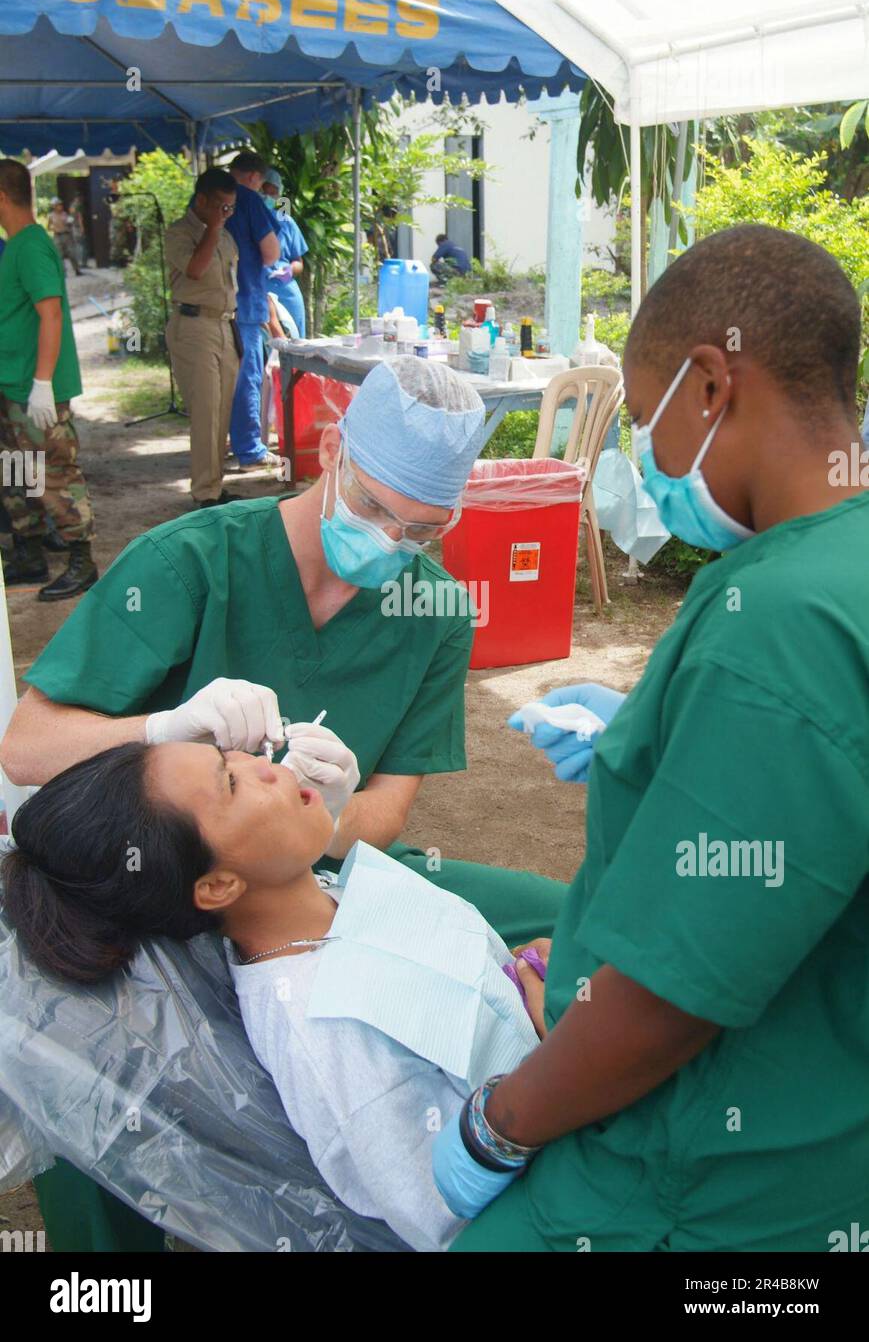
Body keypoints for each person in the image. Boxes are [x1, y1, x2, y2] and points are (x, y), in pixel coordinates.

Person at [0, 354, 567, 1250]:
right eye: (376, 507)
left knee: (555, 917)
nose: (387, 542)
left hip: (316, 874)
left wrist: (324, 813)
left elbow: (381, 814)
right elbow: (25, 748)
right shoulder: (191, 563)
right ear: (334, 450)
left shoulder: (430, 611)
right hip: (179, 882)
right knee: (76, 1051)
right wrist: (163, 729)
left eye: (421, 530)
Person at [432, 224, 869, 1253]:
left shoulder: (777, 624)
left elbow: (669, 1000)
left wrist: (497, 1126)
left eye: (643, 420)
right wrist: (658, 740)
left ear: (710, 384)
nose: (646, 462)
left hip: (711, 1183)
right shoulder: (827, 574)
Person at [2, 736, 550, 1251]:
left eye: (231, 754)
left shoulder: (332, 900)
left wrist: (522, 979)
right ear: (217, 886)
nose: (266, 765)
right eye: (232, 783)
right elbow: (452, 1222)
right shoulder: (331, 1038)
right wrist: (566, 1061)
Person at [0, 159, 97, 601]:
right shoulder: (17, 244)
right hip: (14, 384)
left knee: (55, 475)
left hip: (34, 389)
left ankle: (82, 558)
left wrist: (43, 383)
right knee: (21, 475)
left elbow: (51, 312)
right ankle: (30, 551)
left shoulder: (33, 245)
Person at [165, 168, 242, 509]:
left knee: (222, 410)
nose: (226, 214)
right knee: (206, 410)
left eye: (230, 208)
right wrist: (213, 227)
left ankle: (214, 485)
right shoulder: (181, 233)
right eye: (220, 207)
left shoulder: (225, 235)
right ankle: (204, 492)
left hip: (224, 326)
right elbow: (195, 269)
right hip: (194, 326)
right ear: (201, 201)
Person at [224, 150, 282, 471]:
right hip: (245, 302)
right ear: (254, 177)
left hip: (212, 305)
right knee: (247, 376)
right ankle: (249, 450)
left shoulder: (203, 199)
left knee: (219, 381)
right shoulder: (249, 200)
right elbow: (272, 253)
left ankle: (222, 442)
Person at [261, 167, 308, 338]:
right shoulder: (244, 220)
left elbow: (298, 262)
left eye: (273, 194)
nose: (268, 197)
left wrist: (289, 270)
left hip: (286, 292)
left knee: (295, 346)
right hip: (259, 292)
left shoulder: (285, 221)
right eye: (264, 191)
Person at [46, 197, 81, 277]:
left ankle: (77, 270)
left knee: (72, 253)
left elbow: (71, 223)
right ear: (54, 206)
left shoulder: (65, 214)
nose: (60, 206)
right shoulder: (51, 216)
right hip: (57, 236)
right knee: (59, 255)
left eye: (60, 205)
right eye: (58, 205)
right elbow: (48, 227)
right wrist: (53, 228)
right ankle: (63, 272)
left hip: (66, 235)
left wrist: (70, 221)